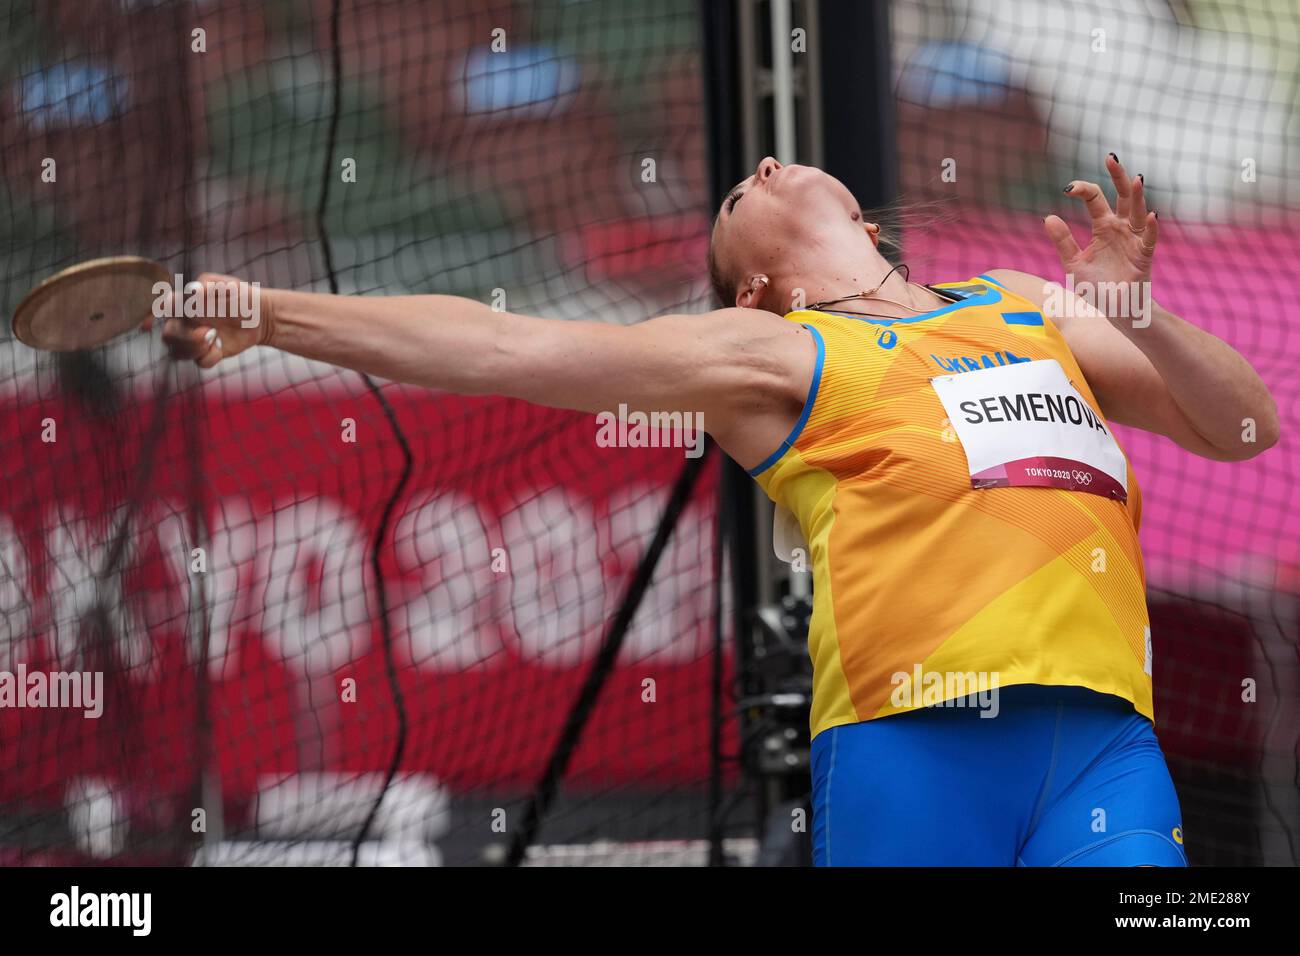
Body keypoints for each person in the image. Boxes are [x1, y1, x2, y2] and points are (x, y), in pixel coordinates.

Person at [163, 154, 1278, 865]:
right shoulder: (778, 351)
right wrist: (271, 314)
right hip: (912, 749)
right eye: (739, 196)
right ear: (752, 287)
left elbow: (1243, 429)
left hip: (1104, 742)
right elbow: (509, 345)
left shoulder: (1027, 305)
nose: (760, 163)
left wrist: (1139, 313)